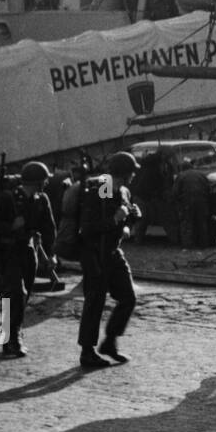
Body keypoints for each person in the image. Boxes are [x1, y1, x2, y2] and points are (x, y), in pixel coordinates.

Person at [0, 162, 56, 358]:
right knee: (16, 293)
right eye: (43, 180)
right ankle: (13, 339)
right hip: (8, 251)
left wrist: (52, 254)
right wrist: (10, 226)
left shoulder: (41, 199)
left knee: (24, 296)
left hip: (29, 251)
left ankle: (12, 336)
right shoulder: (8, 198)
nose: (46, 184)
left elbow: (49, 228)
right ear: (36, 182)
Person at [77, 152, 144, 369]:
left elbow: (124, 220)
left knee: (128, 297)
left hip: (113, 252)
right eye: (131, 172)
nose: (134, 175)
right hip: (95, 253)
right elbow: (87, 229)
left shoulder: (123, 191)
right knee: (94, 302)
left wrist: (131, 218)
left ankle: (110, 342)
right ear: (123, 173)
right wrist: (115, 219)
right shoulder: (101, 190)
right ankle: (87, 352)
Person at [172, 158, 210, 248]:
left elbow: (175, 192)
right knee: (201, 223)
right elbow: (208, 189)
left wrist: (177, 202)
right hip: (202, 202)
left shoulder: (181, 175)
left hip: (187, 202)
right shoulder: (202, 175)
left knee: (187, 223)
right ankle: (203, 244)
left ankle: (187, 245)